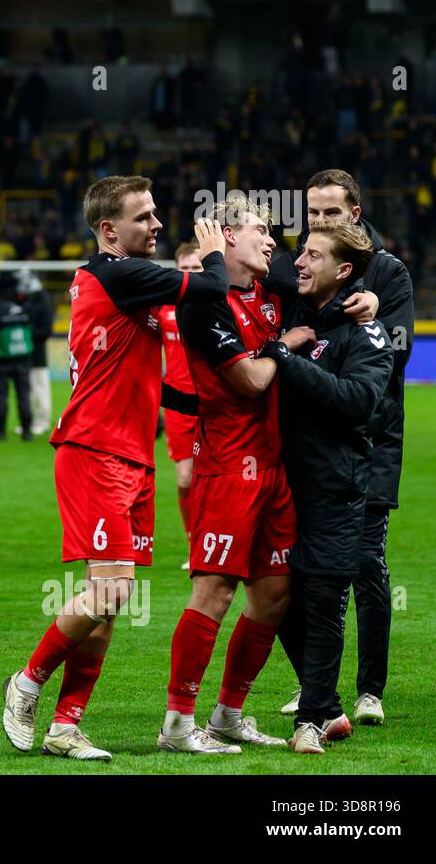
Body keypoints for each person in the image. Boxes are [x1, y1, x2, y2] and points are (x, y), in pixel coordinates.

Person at [2, 176, 231, 761]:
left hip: (130, 454)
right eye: (144, 217)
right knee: (112, 589)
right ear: (109, 231)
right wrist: (213, 250)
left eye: (156, 214)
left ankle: (65, 726)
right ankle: (26, 681)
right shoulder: (118, 274)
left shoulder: (128, 287)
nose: (156, 225)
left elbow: (161, 380)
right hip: (95, 451)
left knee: (107, 600)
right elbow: (210, 286)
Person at [157, 202, 296, 755]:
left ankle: (228, 713)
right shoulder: (203, 303)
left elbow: (339, 268)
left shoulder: (275, 292)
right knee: (213, 592)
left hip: (276, 469)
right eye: (260, 230)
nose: (271, 240)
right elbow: (248, 382)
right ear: (227, 235)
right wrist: (290, 344)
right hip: (227, 468)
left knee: (274, 594)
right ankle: (176, 724)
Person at [277, 169, 414, 728]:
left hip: (371, 439)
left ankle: (370, 689)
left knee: (364, 561)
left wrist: (372, 314)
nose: (320, 222)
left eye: (331, 214)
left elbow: (397, 353)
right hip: (309, 446)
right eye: (312, 214)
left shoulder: (389, 273)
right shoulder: (299, 267)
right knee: (297, 572)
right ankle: (316, 687)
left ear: (355, 214)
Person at [263, 222, 393, 754]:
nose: (299, 263)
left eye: (313, 256)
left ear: (343, 271)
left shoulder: (367, 334)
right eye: (301, 252)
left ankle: (313, 716)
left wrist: (285, 359)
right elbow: (260, 260)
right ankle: (327, 706)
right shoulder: (297, 307)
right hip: (277, 484)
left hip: (334, 488)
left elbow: (356, 402)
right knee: (273, 597)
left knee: (321, 598)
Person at [155, 243, 203, 569]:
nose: (191, 275)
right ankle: (193, 544)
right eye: (185, 269)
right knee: (185, 479)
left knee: (216, 478)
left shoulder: (221, 303)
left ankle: (217, 542)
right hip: (177, 407)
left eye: (198, 269)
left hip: (214, 403)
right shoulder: (163, 308)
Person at [0, 272, 35, 442]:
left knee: (1, 394)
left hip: (2, 357)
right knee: (24, 393)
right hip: (24, 356)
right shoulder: (24, 303)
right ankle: (26, 430)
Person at [22, 270, 55, 435]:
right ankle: (28, 420)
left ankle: (42, 420)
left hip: (37, 349)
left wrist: (30, 335)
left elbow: (46, 328)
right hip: (27, 349)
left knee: (40, 386)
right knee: (28, 386)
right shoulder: (31, 298)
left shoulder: (42, 299)